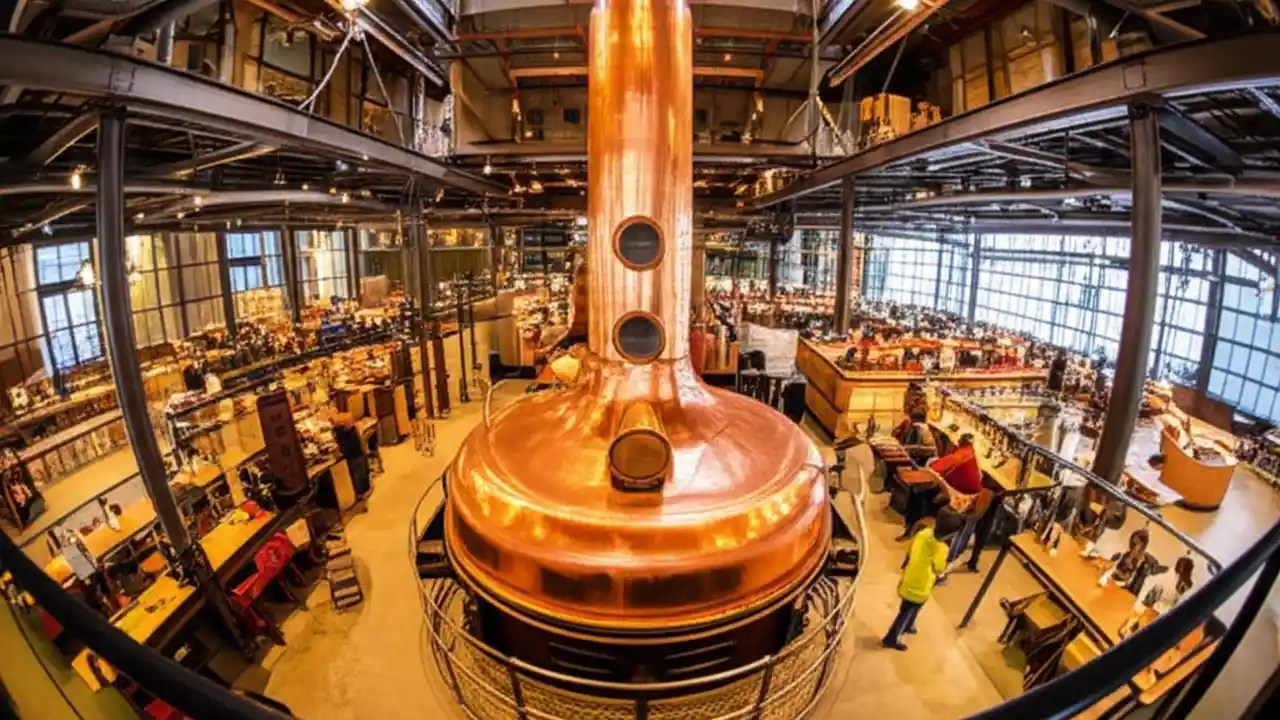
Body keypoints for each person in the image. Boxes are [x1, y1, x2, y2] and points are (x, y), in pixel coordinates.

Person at [883, 517, 949, 651]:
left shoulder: (922, 534)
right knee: (910, 608)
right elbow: (939, 568)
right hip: (922, 582)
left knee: (907, 606)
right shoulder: (941, 547)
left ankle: (909, 625)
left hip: (910, 575)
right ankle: (892, 637)